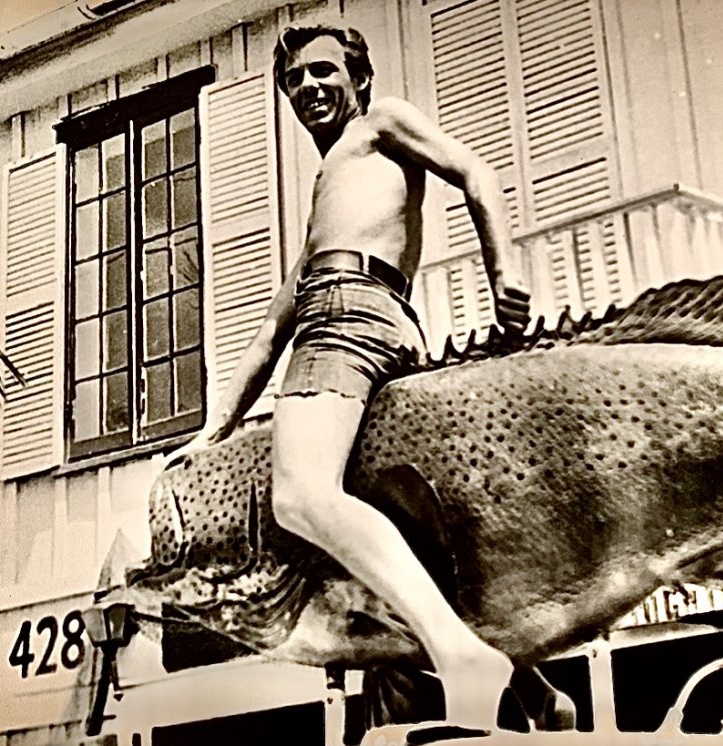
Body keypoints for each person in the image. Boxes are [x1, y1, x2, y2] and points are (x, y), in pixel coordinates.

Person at [169, 24, 531, 731]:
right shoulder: (328, 197)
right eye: (294, 80)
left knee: (300, 498)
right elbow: (273, 330)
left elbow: (476, 173)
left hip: (350, 319)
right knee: (402, 548)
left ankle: (462, 655)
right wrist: (214, 431)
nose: (307, 87)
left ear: (359, 80)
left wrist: (505, 271)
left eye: (323, 71)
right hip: (379, 324)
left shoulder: (381, 124)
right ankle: (536, 699)